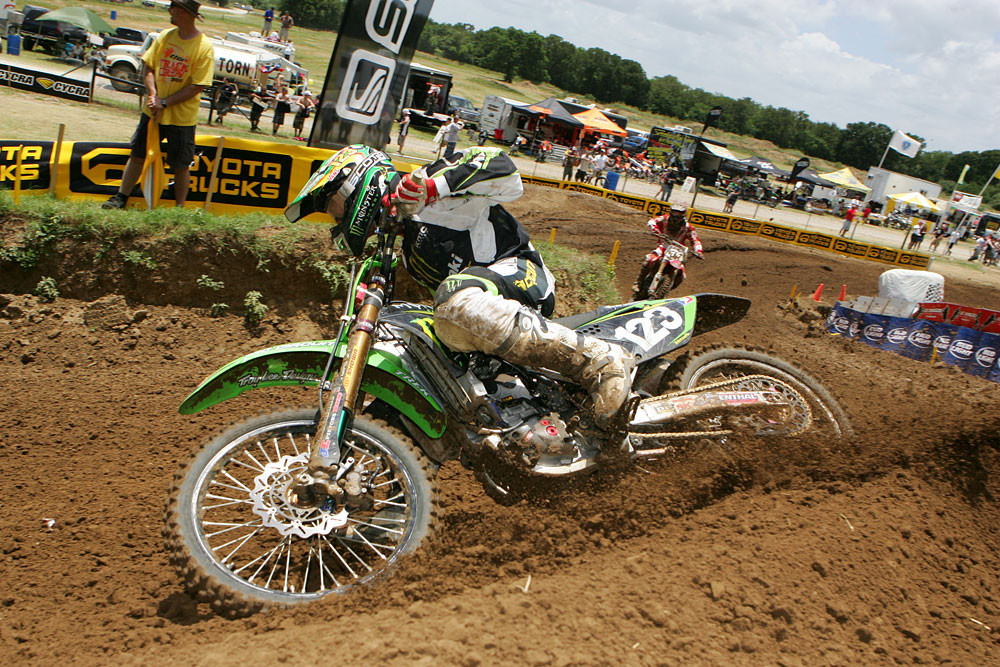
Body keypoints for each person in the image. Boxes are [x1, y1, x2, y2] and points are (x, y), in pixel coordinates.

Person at [283, 145, 635, 427]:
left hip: (520, 273)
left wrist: (434, 186)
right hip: (484, 317)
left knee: (453, 301)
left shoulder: (426, 185)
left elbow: (507, 173)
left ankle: (600, 361)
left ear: (358, 182)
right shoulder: (405, 249)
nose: (336, 217)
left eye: (334, 205)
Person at [102, 0, 213, 210]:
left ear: (183, 12)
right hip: (152, 112)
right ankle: (120, 197)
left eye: (173, 7)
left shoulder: (204, 47)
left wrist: (165, 102)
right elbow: (149, 67)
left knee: (180, 164)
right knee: (137, 154)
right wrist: (153, 95)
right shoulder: (165, 36)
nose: (170, 11)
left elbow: (197, 86)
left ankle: (179, 208)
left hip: (181, 119)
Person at [632, 203, 704, 301]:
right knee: (649, 259)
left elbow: (695, 240)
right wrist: (656, 230)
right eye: (674, 214)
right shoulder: (665, 218)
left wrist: (698, 251)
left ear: (683, 215)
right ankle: (638, 282)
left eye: (678, 215)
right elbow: (652, 221)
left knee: (682, 275)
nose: (675, 217)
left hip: (678, 251)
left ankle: (666, 289)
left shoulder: (688, 227)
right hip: (664, 247)